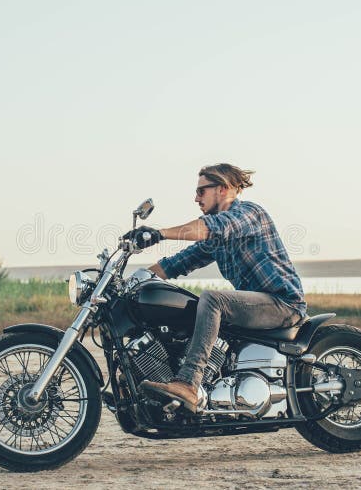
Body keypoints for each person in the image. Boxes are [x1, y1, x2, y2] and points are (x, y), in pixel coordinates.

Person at [123, 163, 306, 411]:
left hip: (283, 304)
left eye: (201, 191)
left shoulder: (250, 214)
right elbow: (177, 263)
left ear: (223, 189)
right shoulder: (216, 239)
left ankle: (188, 383)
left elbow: (212, 228)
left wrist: (159, 233)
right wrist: (131, 281)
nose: (196, 198)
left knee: (213, 299)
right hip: (256, 306)